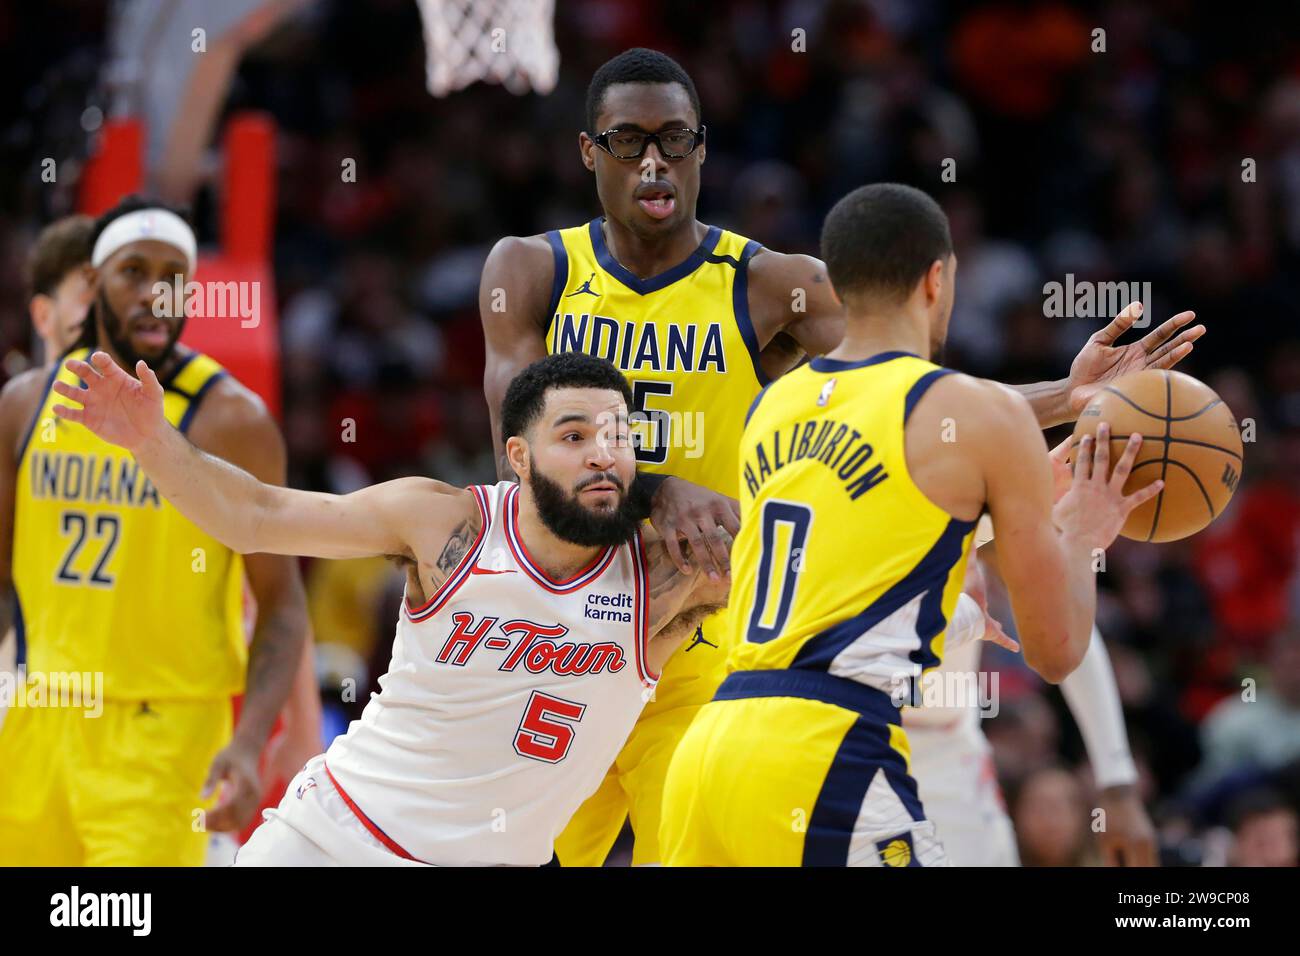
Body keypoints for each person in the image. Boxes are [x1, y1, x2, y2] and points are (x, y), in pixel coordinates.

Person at [481, 48, 1203, 866]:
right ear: (588, 150)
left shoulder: (769, 294)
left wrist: (1059, 397)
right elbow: (518, 442)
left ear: (702, 148)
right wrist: (654, 488)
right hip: (572, 632)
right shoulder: (532, 268)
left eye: (675, 139)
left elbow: (912, 395)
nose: (654, 160)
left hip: (705, 653)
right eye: (626, 140)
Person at [53, 349, 729, 866]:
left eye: (618, 437)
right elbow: (257, 515)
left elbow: (809, 566)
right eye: (575, 437)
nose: (602, 456)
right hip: (331, 841)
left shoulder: (672, 574)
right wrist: (152, 440)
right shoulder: (444, 524)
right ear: (519, 457)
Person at [658, 183, 1161, 866]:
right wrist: (1081, 532)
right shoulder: (980, 415)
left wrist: (1058, 407)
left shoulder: (773, 406)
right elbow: (1055, 649)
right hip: (829, 750)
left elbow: (872, 522)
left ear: (836, 282)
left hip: (711, 752)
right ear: (937, 279)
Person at [0, 196, 310, 866]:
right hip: (36, 718)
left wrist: (252, 742)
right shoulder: (25, 403)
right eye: (133, 272)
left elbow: (283, 605)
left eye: (173, 276)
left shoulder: (232, 421)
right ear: (93, 284)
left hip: (164, 733)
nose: (155, 293)